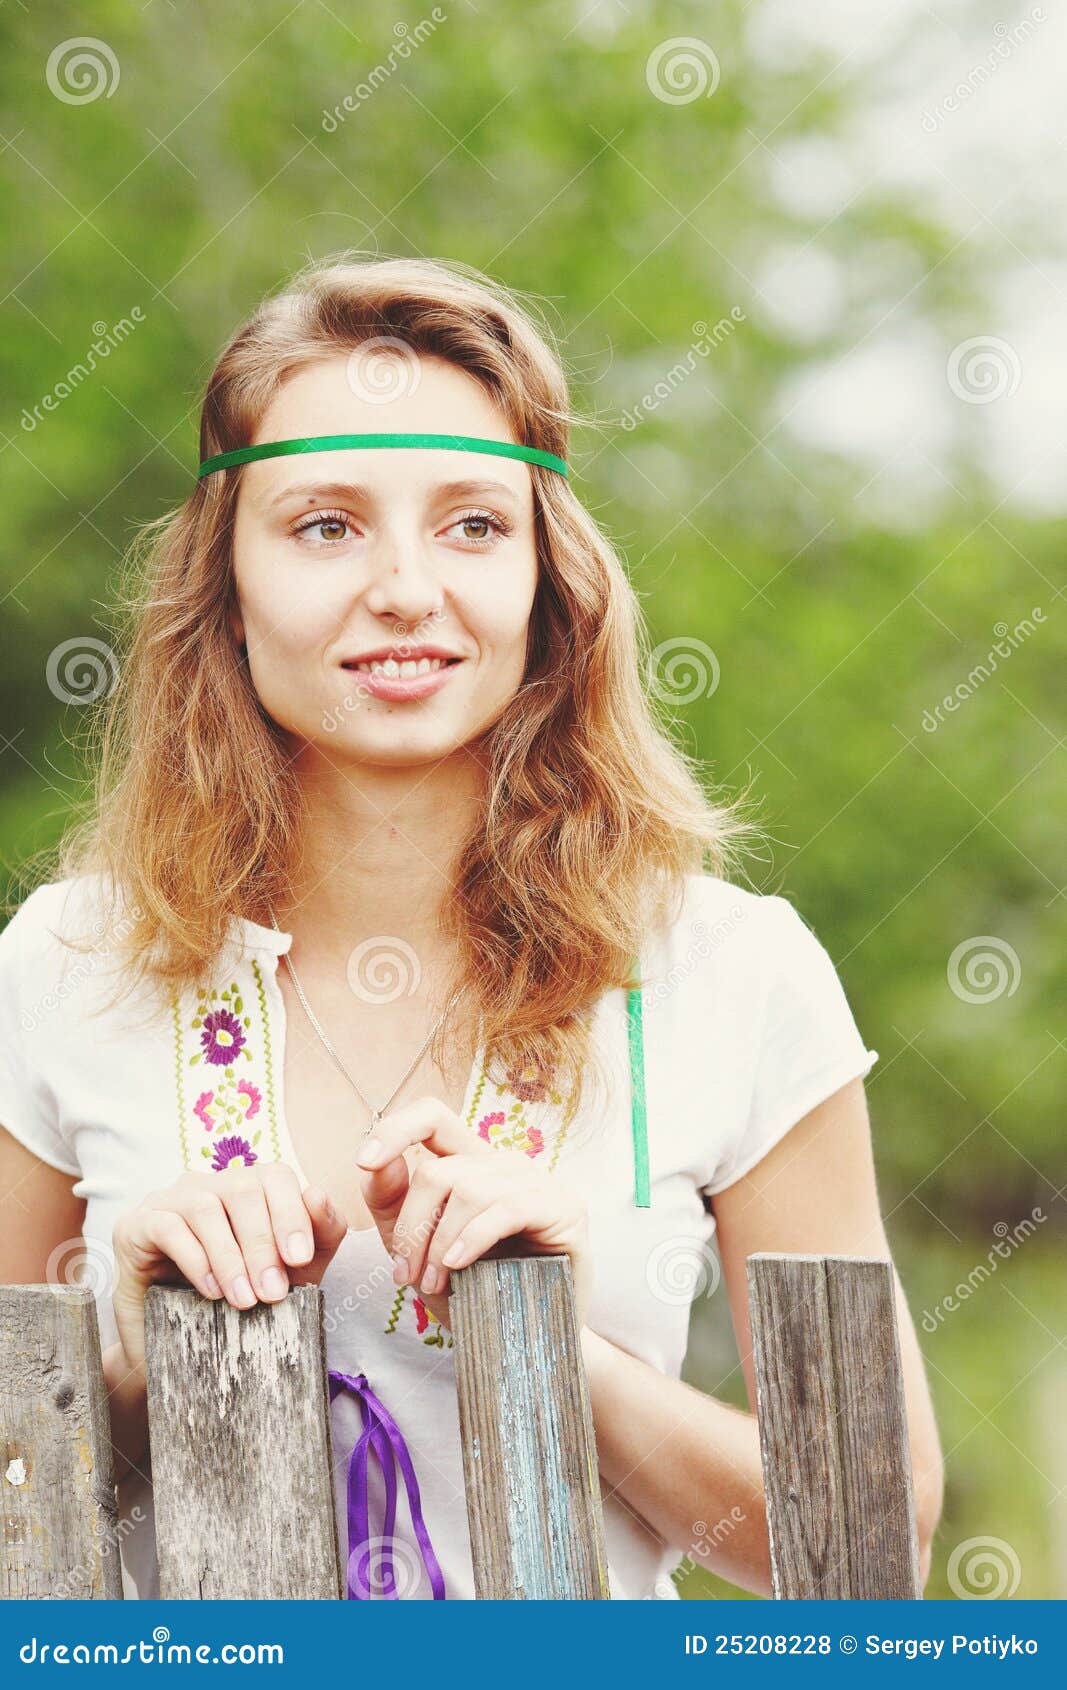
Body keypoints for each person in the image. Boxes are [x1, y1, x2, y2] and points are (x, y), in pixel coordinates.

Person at [0, 253, 943, 1600]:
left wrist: (566, 1349)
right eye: (325, 524)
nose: (402, 588)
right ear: (226, 579)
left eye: (473, 524)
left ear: (548, 575)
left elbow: (868, 1547)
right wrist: (133, 1368)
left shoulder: (736, 973)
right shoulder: (62, 966)